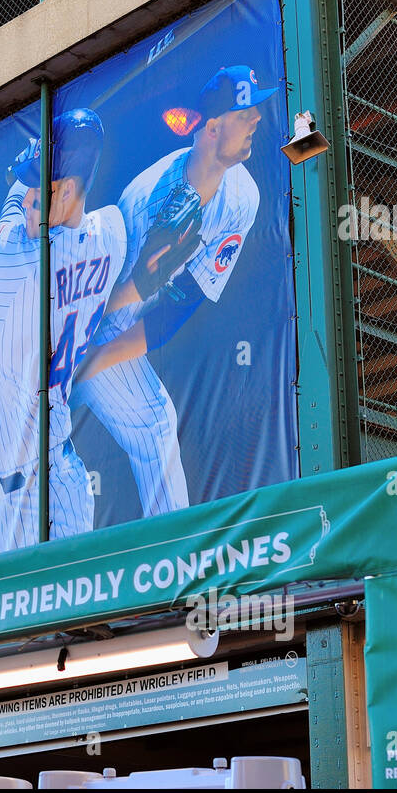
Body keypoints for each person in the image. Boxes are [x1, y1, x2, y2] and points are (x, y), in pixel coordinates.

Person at [72, 65, 274, 517]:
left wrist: (107, 358)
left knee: (153, 423)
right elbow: (96, 303)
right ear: (211, 129)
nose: (257, 119)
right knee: (139, 426)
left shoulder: (242, 197)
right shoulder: (147, 200)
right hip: (87, 320)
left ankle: (171, 554)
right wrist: (93, 356)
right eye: (245, 111)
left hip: (118, 324)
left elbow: (185, 302)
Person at [0, 108, 126, 565]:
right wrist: (37, 173)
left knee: (46, 621)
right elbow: (55, 210)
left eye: (39, 192)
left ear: (66, 190)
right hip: (32, 479)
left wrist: (20, 175)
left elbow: (12, 208)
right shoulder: (114, 233)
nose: (28, 201)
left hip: (30, 491)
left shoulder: (6, 264)